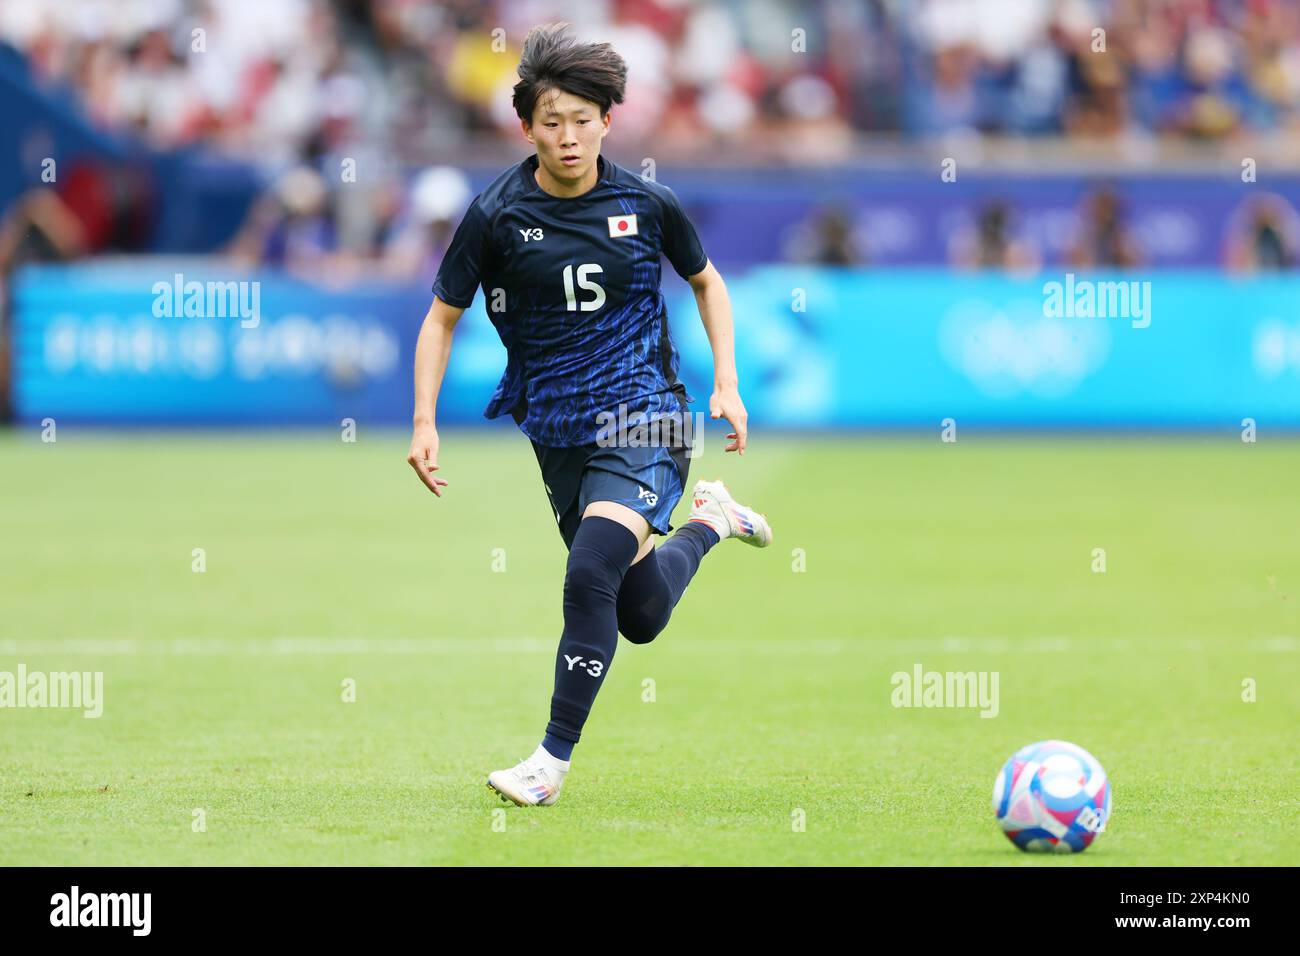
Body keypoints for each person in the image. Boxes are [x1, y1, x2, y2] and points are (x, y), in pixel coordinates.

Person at [406, 23, 771, 806]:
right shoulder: (497, 214)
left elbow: (707, 282)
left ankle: (549, 761)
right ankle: (711, 522)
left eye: (582, 119)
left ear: (609, 118)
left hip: (651, 416)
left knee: (588, 572)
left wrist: (728, 383)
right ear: (527, 125)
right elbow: (442, 316)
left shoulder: (647, 204)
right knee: (638, 613)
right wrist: (424, 421)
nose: (568, 137)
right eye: (551, 121)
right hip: (560, 430)